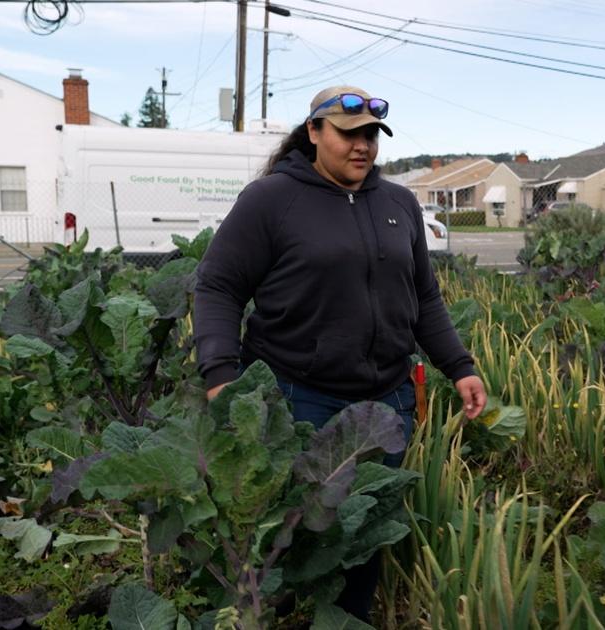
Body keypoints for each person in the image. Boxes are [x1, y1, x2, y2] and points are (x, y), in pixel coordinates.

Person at [193, 85, 487, 622]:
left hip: (385, 405)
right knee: (289, 539)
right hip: (299, 401)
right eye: (349, 133)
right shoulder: (272, 200)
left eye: (371, 134)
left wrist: (460, 367)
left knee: (362, 538)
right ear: (313, 132)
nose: (363, 146)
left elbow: (422, 297)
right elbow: (217, 286)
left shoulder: (398, 203)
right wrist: (220, 375)